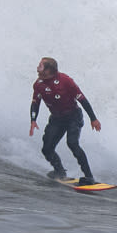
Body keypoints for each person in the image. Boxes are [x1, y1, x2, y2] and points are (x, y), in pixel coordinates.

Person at [28, 56, 101, 184]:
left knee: (72, 143)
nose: (37, 69)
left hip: (73, 117)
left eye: (40, 66)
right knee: (47, 148)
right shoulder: (38, 85)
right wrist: (33, 120)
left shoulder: (65, 81)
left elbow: (82, 99)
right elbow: (35, 103)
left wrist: (93, 119)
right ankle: (59, 171)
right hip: (57, 119)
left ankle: (89, 177)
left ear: (49, 70)